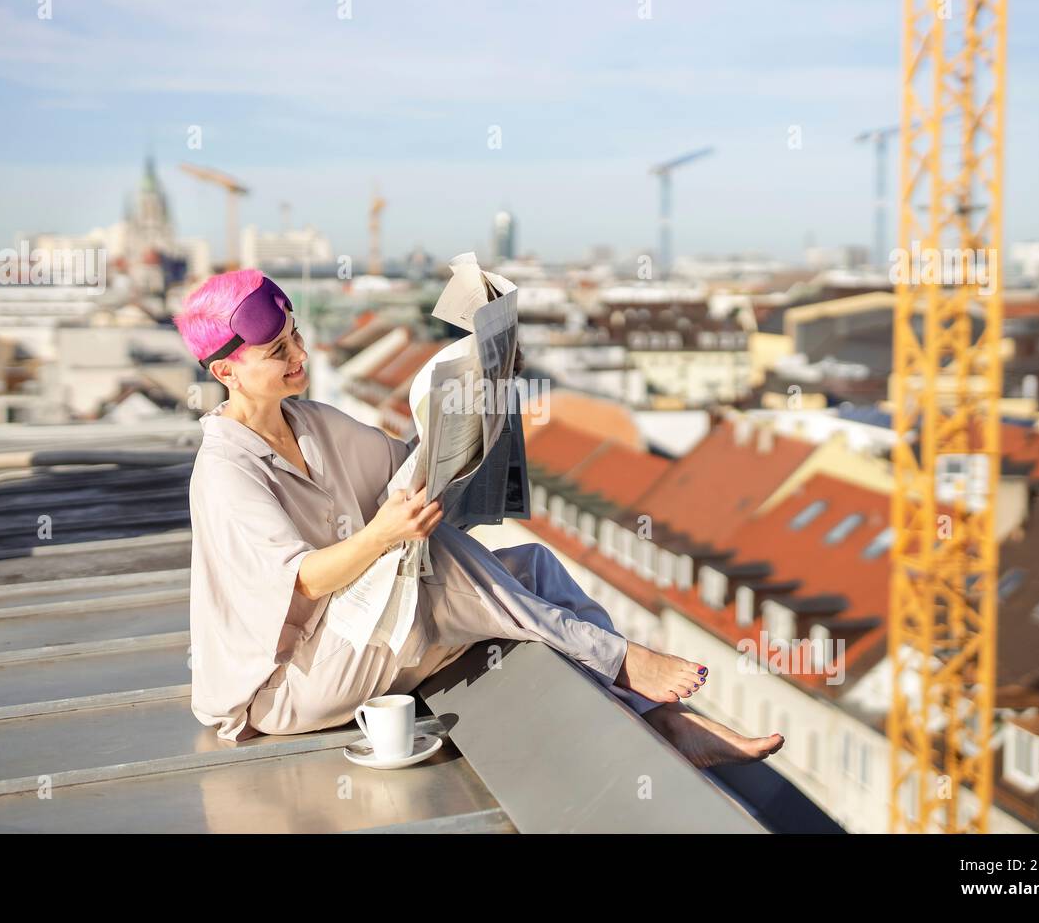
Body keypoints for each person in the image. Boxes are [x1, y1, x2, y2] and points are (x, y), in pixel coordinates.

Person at [174, 269, 784, 769]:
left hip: (349, 642)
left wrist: (479, 400)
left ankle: (663, 724)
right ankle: (621, 658)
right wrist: (385, 531)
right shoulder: (225, 470)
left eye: (297, 336)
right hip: (285, 688)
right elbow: (303, 579)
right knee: (432, 557)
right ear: (225, 371)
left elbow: (416, 468)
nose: (300, 355)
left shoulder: (314, 424)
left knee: (533, 566)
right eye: (278, 350)